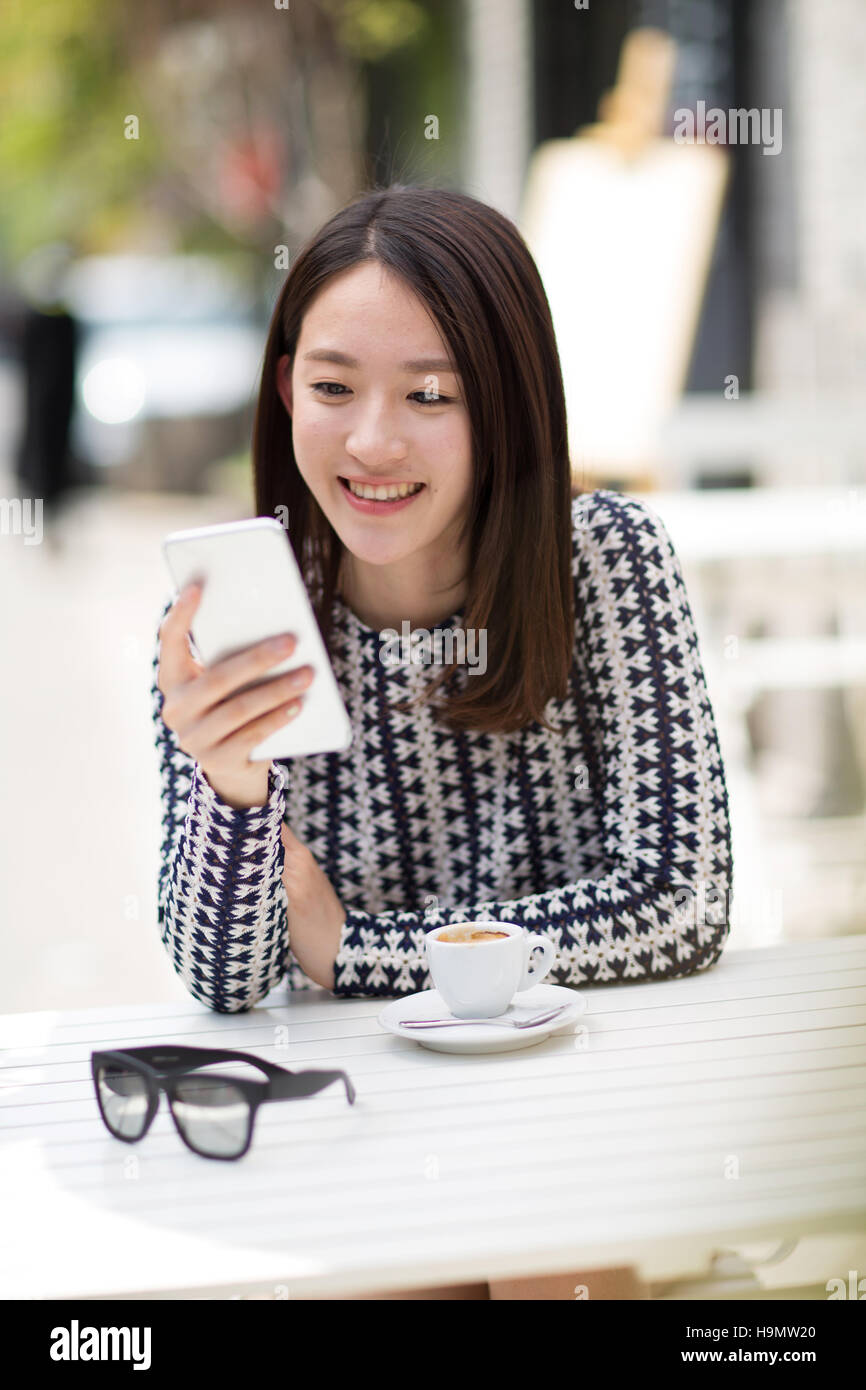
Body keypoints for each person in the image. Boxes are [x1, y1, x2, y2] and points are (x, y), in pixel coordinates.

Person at [151, 184, 733, 1300]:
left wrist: (353, 952)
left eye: (429, 394)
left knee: (543, 1265)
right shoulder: (234, 615)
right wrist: (232, 793)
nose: (372, 441)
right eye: (331, 387)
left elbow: (678, 904)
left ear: (504, 404)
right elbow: (224, 983)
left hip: (581, 1110)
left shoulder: (603, 564)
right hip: (362, 1129)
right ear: (285, 392)